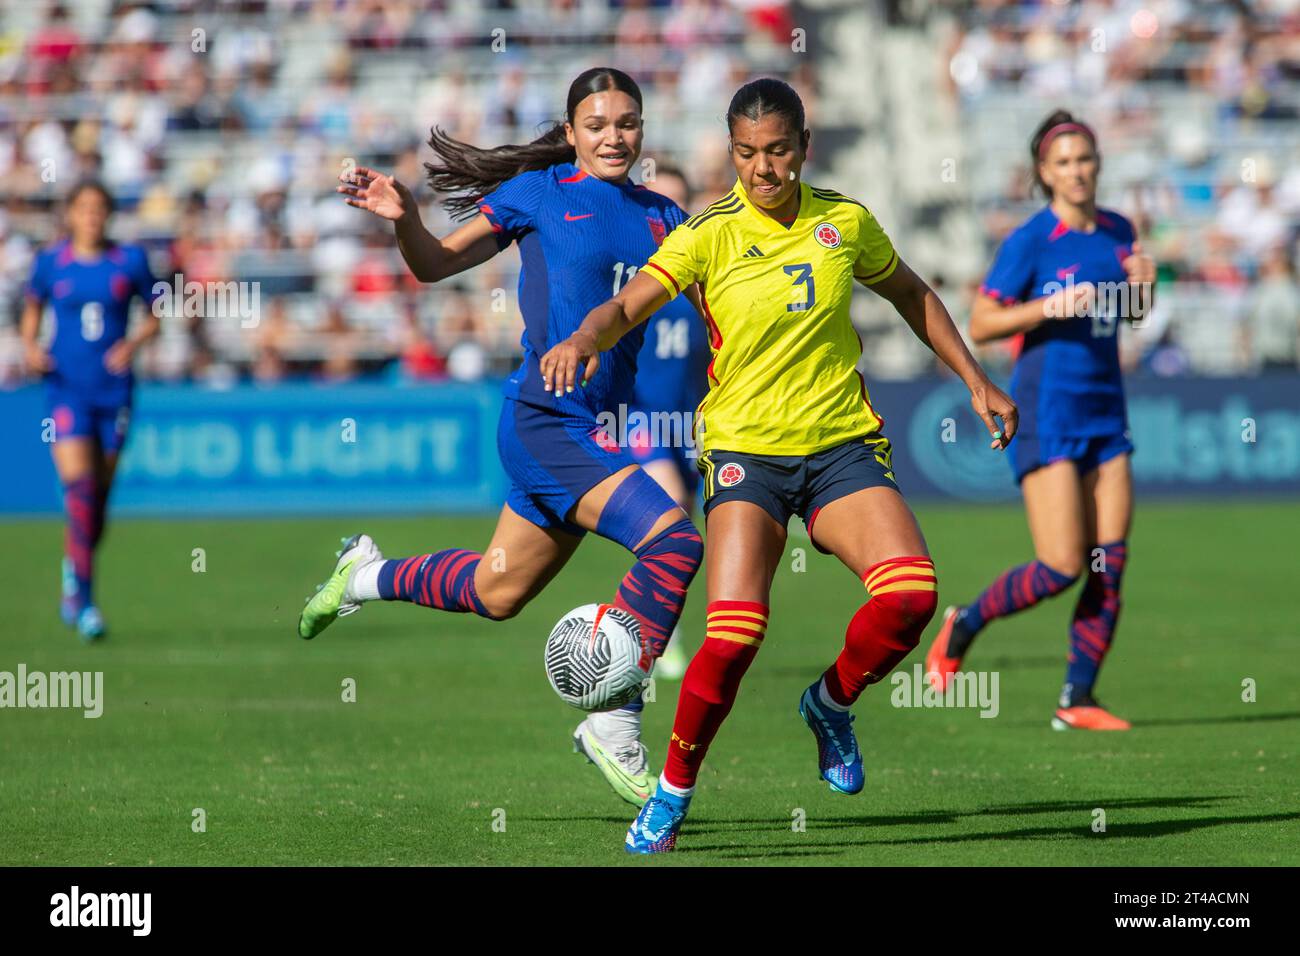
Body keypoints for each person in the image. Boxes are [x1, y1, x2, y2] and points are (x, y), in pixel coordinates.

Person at [541, 78, 1017, 852]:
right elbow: (626, 308)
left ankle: (830, 704)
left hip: (840, 447)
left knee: (911, 596)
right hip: (745, 455)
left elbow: (911, 292)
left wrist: (976, 379)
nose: (762, 169)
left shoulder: (845, 221)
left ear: (804, 148)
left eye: (777, 151)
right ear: (732, 153)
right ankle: (669, 793)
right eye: (746, 153)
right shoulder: (708, 233)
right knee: (732, 639)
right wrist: (581, 341)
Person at [299, 68, 704, 806]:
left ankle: (362, 575)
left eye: (628, 122)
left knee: (496, 592)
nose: (614, 136)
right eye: (598, 123)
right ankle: (614, 721)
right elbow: (433, 264)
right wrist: (402, 218)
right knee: (675, 542)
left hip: (597, 431)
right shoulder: (540, 193)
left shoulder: (666, 216)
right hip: (546, 421)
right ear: (572, 129)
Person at [925, 110, 1156, 731]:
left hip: (1107, 411)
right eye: (1063, 162)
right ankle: (965, 622)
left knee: (1113, 559)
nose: (1077, 170)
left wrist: (1146, 290)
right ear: (1043, 174)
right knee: (1061, 566)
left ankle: (1076, 699)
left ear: (1098, 164)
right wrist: (1048, 306)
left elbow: (1130, 316)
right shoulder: (1032, 239)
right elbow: (980, 322)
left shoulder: (1119, 229)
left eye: (1084, 159)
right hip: (1049, 412)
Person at [21, 180, 161, 640]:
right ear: (71, 214)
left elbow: (158, 308)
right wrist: (30, 347)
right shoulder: (50, 263)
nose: (91, 217)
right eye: (83, 209)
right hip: (66, 390)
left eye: (99, 209)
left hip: (114, 392)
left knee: (97, 501)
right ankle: (83, 601)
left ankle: (73, 570)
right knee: (79, 490)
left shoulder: (130, 261)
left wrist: (134, 342)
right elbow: (32, 308)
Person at [626, 163, 710, 680]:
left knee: (691, 533)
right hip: (639, 417)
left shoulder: (705, 276)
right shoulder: (634, 275)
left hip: (696, 423)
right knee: (673, 501)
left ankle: (659, 628)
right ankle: (654, 638)